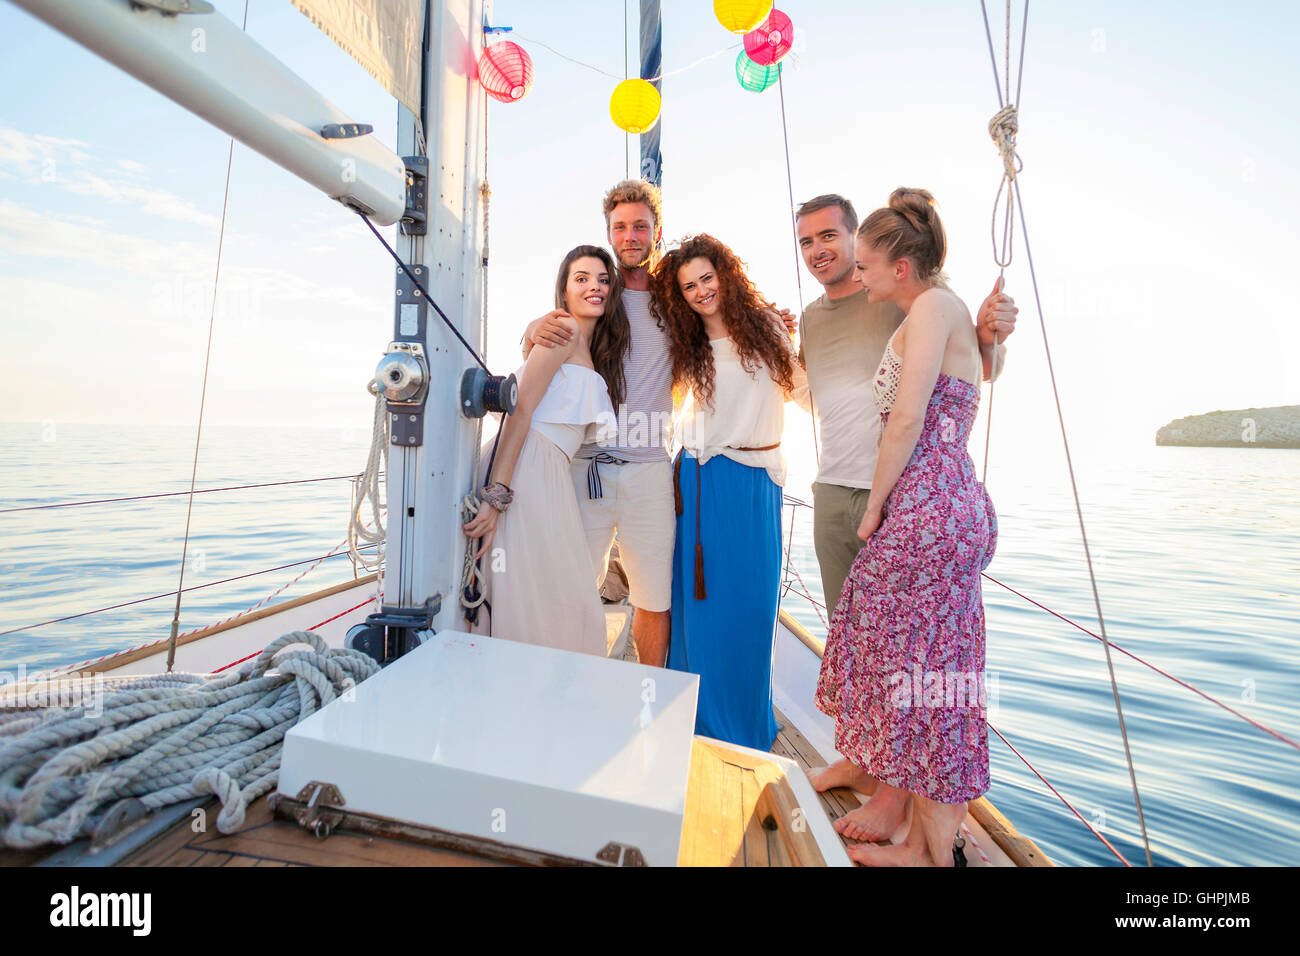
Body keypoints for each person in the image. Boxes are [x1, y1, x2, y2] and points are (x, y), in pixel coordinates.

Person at [814, 188, 998, 867]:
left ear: (901, 266)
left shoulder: (930, 308)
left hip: (928, 505)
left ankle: (927, 846)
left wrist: (872, 508)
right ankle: (908, 821)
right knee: (921, 665)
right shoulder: (938, 311)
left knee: (932, 673)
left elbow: (909, 419)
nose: (857, 276)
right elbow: (978, 372)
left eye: (864, 264)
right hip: (944, 505)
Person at [650, 234, 806, 751]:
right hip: (699, 480)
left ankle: (742, 722)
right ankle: (700, 723)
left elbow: (805, 391)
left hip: (756, 480)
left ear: (726, 274)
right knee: (701, 608)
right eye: (688, 286)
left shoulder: (767, 328)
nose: (699, 291)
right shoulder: (687, 347)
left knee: (753, 606)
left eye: (706, 278)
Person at [523, 180, 677, 667]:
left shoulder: (676, 301)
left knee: (653, 597)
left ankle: (649, 695)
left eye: (640, 226)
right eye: (620, 227)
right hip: (587, 469)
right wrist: (531, 328)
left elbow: (722, 313)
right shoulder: (600, 295)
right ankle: (572, 686)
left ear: (656, 230)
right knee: (573, 588)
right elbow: (556, 337)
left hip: (650, 470)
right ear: (609, 233)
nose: (630, 235)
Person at [462, 245, 627, 657]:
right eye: (582, 278)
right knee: (555, 595)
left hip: (549, 470)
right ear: (565, 290)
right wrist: (496, 496)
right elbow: (521, 409)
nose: (595, 287)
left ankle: (540, 691)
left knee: (548, 591)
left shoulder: (583, 344)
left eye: (603, 279)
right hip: (528, 467)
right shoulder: (565, 330)